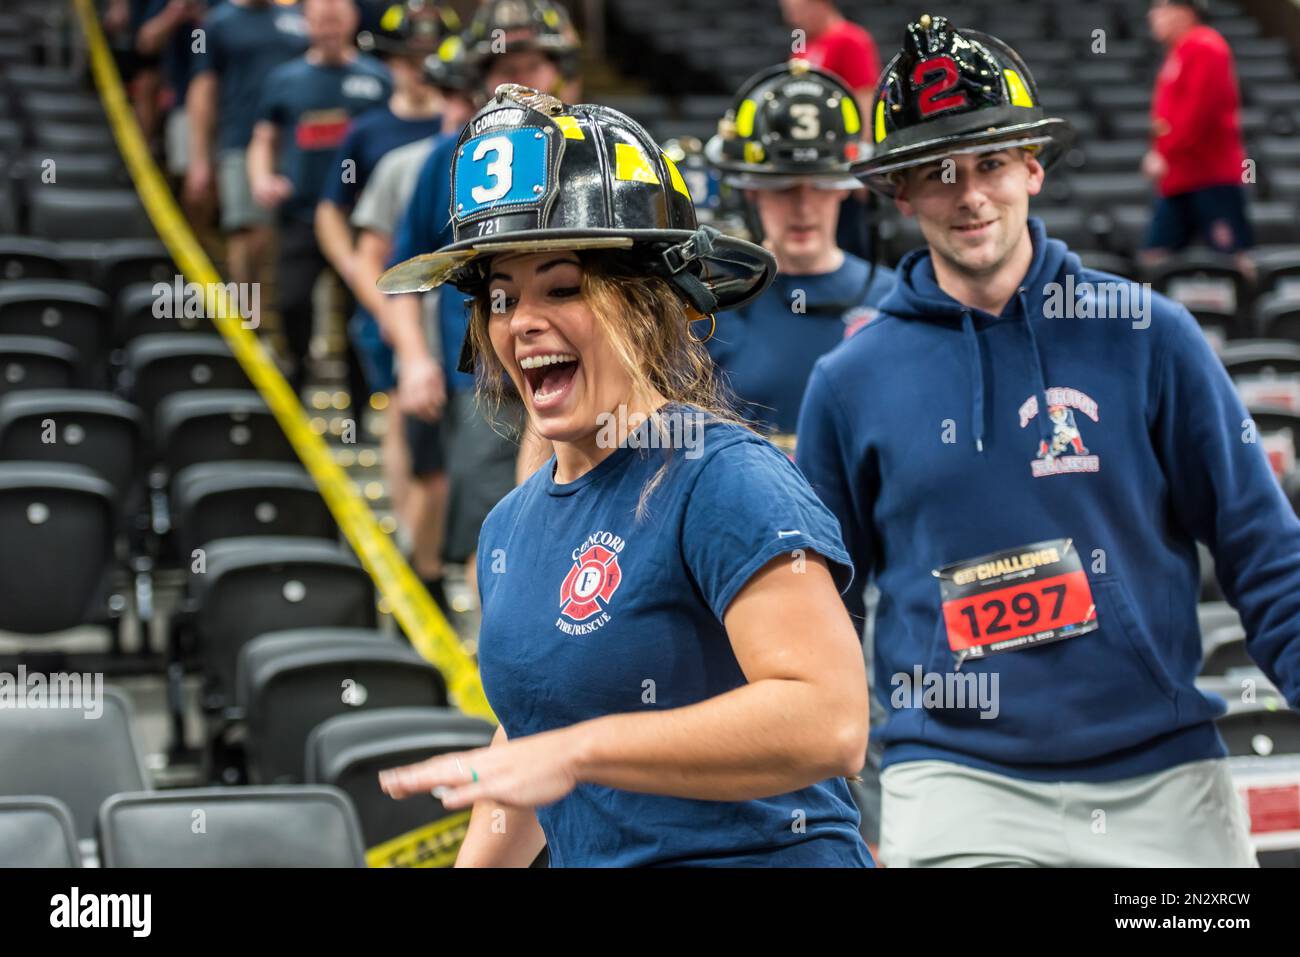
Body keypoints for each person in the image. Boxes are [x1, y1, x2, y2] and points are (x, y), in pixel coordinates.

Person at [798, 14, 1300, 867]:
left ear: (1034, 165)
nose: (970, 195)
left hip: (1164, 774)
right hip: (956, 783)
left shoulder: (1151, 335)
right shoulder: (848, 382)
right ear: (901, 191)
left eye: (992, 162)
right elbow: (818, 618)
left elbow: (1266, 554)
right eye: (939, 172)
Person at [375, 87, 872, 868]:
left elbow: (830, 723)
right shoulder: (508, 526)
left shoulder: (725, 477)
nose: (522, 321)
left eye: (562, 287)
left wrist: (579, 751)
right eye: (502, 297)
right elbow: (532, 743)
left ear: (643, 305)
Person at [378, 0, 581, 605]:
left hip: (591, 379)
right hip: (486, 383)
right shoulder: (449, 160)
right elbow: (404, 275)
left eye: (532, 65)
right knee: (494, 545)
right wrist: (415, 360)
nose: (518, 81)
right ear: (476, 81)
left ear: (557, 71)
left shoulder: (592, 148)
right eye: (501, 69)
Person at [346, 27, 476, 607]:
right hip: (427, 338)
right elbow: (382, 258)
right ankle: (418, 588)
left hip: (474, 354)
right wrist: (409, 352)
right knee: (431, 472)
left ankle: (425, 587)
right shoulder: (415, 163)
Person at [704, 60, 895, 442]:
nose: (803, 208)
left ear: (845, 187)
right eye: (783, 188)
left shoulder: (893, 299)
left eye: (819, 186)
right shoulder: (711, 308)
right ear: (751, 189)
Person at [314, 1, 452, 425]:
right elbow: (330, 210)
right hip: (388, 284)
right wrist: (359, 272)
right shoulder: (367, 130)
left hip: (449, 293)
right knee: (398, 406)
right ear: (391, 61)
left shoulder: (466, 128)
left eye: (430, 58)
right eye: (409, 59)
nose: (420, 69)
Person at [246, 0, 391, 399]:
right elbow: (263, 138)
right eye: (321, 20)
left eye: (336, 19)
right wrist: (262, 178)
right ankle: (297, 372)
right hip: (299, 215)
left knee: (356, 315)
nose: (329, 28)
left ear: (352, 21)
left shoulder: (377, 79)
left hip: (356, 219)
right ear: (306, 22)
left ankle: (359, 407)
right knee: (291, 302)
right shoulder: (284, 79)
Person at [186, 0, 309, 289]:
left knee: (294, 234)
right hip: (239, 138)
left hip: (295, 144)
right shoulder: (217, 22)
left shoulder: (296, 18)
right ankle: (247, 318)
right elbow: (203, 87)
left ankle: (277, 317)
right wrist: (199, 157)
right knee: (248, 231)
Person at [1141, 0, 1254, 278]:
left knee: (1231, 257)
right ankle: (1154, 319)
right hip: (1181, 177)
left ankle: (1253, 318)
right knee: (1155, 257)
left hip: (1210, 174)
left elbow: (1198, 112)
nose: (1152, 15)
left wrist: (1164, 153)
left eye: (1160, 8)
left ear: (1184, 12)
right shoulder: (1179, 51)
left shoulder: (1206, 46)